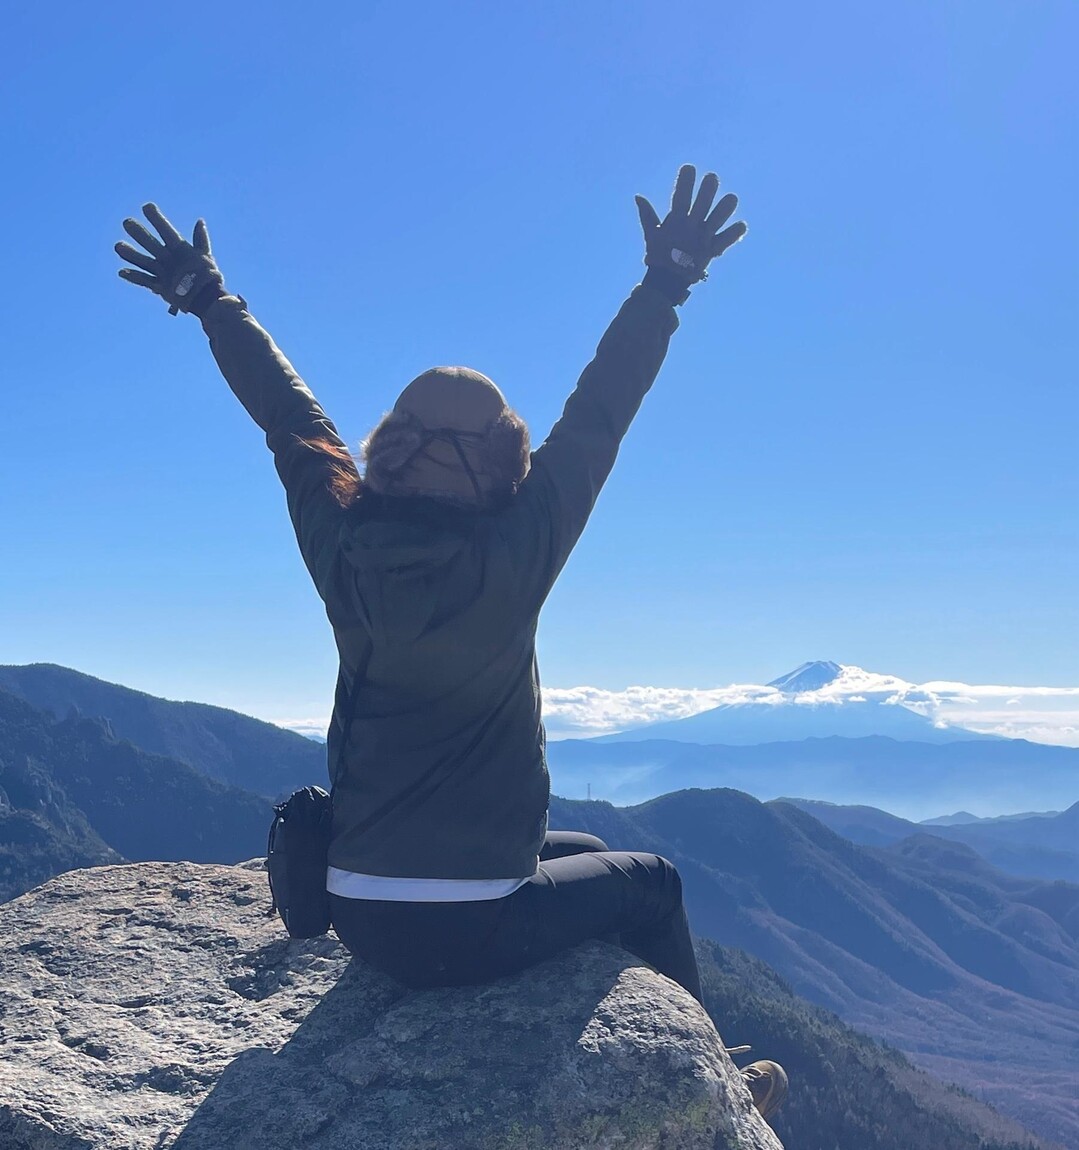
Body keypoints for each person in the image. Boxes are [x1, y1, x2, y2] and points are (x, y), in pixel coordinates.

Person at [115, 166, 786, 1122]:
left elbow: (291, 420)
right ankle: (722, 1081)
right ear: (511, 464)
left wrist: (210, 300)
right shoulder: (522, 547)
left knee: (586, 844)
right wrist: (665, 282)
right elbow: (599, 413)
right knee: (652, 881)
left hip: (356, 915)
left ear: (384, 448)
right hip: (474, 929)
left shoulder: (340, 542)